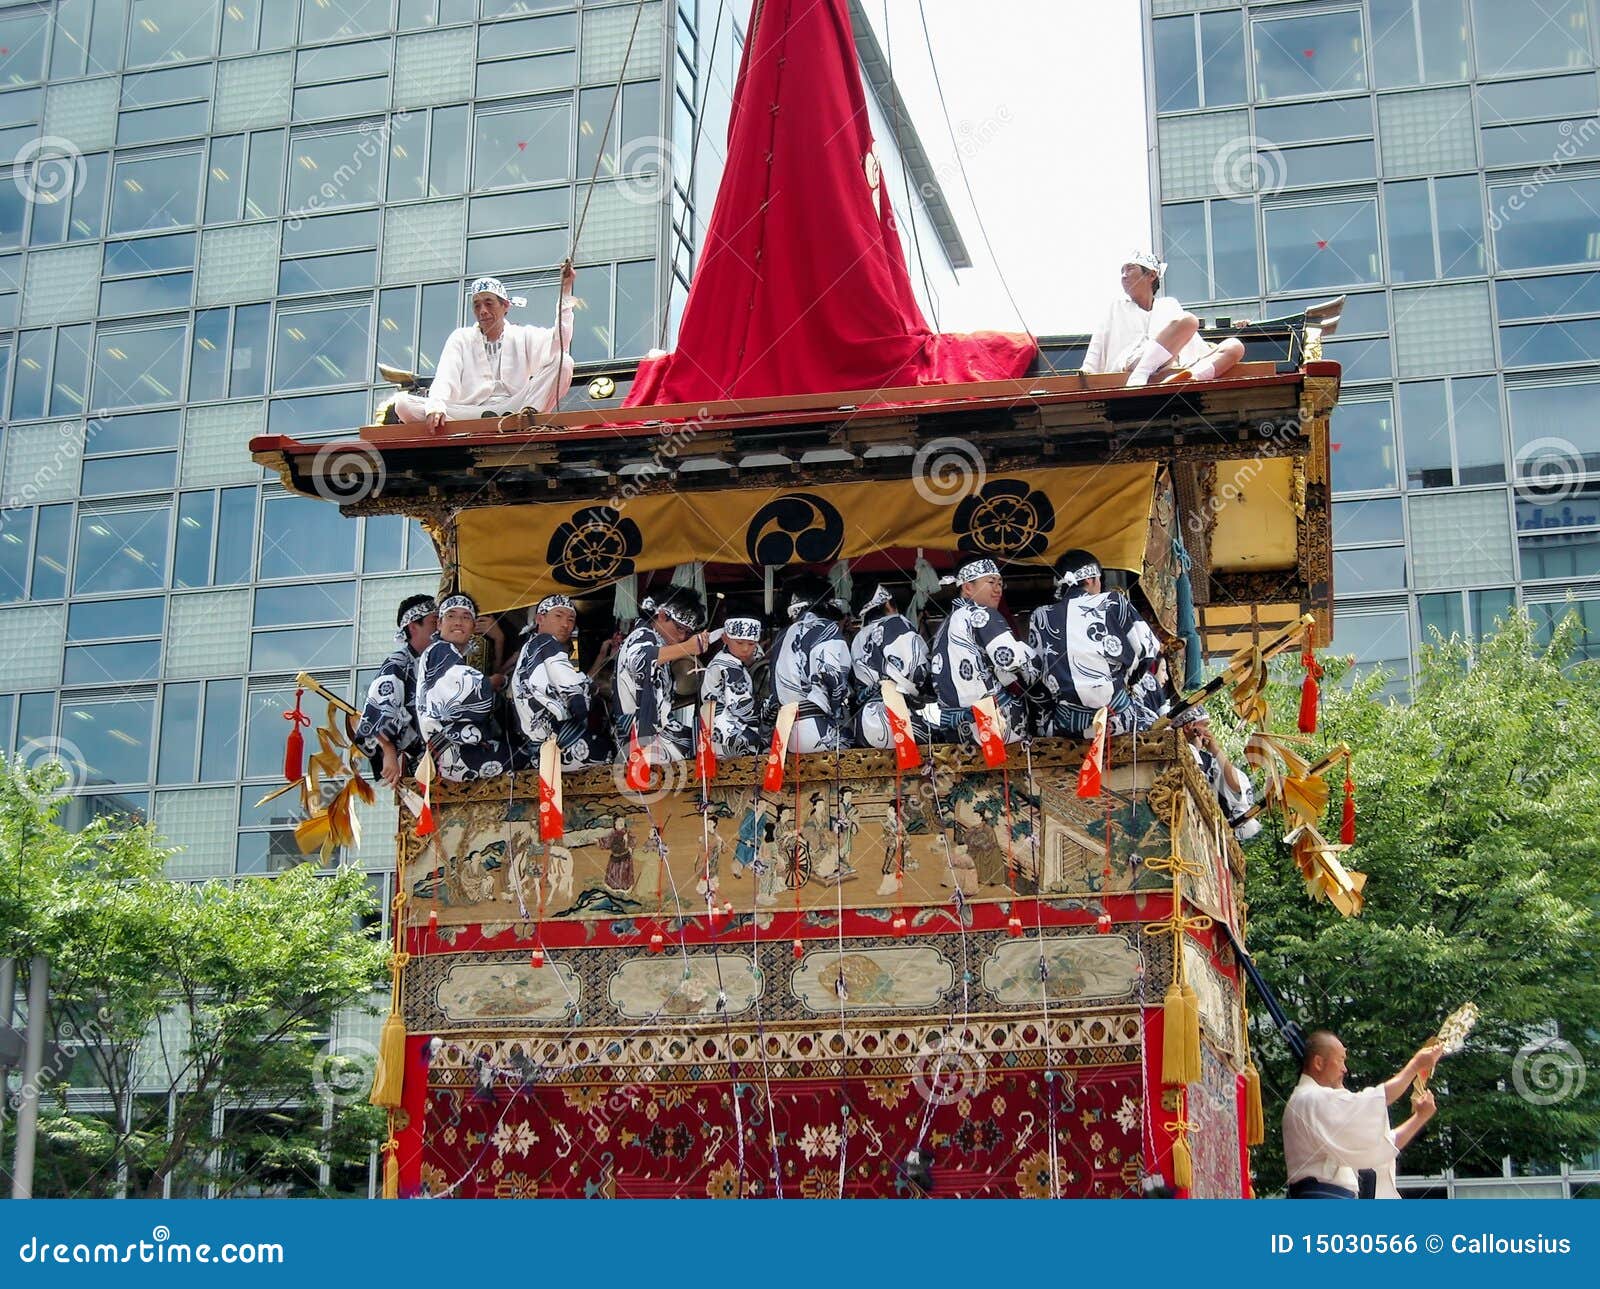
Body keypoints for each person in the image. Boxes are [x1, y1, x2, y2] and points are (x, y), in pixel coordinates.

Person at [391, 266, 577, 427]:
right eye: (477, 306)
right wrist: (436, 406)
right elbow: (444, 379)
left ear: (505, 306)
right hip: (468, 413)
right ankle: (463, 428)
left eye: (489, 304)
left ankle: (527, 416)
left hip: (517, 408)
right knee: (402, 404)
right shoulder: (460, 338)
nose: (483, 311)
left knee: (565, 362)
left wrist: (566, 289)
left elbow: (560, 341)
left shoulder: (522, 335)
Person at [1282, 1032, 1442, 1199]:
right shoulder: (1310, 1098)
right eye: (1340, 1060)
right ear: (1319, 1063)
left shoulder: (1312, 1100)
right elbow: (1378, 1099)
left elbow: (1383, 1145)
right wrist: (1415, 1065)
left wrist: (1419, 1117)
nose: (1345, 1069)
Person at [1028, 549, 1162, 737]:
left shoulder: (1040, 615)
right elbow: (1148, 651)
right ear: (1091, 579)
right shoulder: (1113, 601)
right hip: (1117, 716)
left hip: (1068, 725)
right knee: (1155, 721)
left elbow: (1034, 674)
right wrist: (1128, 682)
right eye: (1099, 579)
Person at [1082, 252, 1245, 387]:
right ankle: (1140, 374)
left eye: (1130, 269)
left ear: (1151, 275)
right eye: (1122, 272)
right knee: (1189, 321)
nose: (1124, 276)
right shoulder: (1116, 306)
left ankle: (1189, 379)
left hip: (1172, 363)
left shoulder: (1168, 305)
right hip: (1133, 362)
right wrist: (1087, 371)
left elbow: (1191, 342)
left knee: (1235, 346)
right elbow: (1098, 343)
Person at [927, 559, 1035, 745]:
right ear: (968, 587)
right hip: (995, 723)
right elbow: (1014, 662)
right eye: (991, 582)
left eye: (1000, 583)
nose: (998, 589)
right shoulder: (981, 614)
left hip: (955, 730)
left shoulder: (943, 627)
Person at [416, 592, 520, 781]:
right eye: (451, 616)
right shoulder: (440, 650)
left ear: (473, 627)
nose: (458, 622)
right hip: (457, 753)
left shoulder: (449, 655)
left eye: (465, 617)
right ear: (439, 624)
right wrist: (495, 682)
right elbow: (468, 690)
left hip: (452, 752)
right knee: (529, 756)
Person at [614, 588, 714, 759]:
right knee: (707, 747)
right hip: (638, 733)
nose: (682, 637)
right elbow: (642, 659)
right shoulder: (643, 635)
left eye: (687, 633)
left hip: (658, 731)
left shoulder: (658, 643)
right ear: (661, 615)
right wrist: (687, 647)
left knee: (707, 739)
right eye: (679, 628)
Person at [355, 594, 437, 788]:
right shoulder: (398, 664)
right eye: (434, 622)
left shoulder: (440, 658)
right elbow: (378, 713)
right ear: (413, 626)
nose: (440, 627)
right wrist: (388, 750)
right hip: (423, 760)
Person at [510, 594, 598, 768]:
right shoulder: (544, 641)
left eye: (571, 619)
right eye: (558, 616)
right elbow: (574, 692)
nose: (565, 624)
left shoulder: (531, 647)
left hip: (540, 748)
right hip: (561, 745)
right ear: (540, 619)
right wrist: (584, 692)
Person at [769, 574, 854, 753]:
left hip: (788, 731)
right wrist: (838, 709)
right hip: (820, 727)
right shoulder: (824, 627)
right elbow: (831, 676)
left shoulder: (781, 635)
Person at [851, 582, 932, 750]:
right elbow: (916, 672)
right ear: (888, 603)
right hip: (896, 714)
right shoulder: (895, 623)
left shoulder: (858, 637)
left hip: (864, 722)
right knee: (939, 739)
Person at [1172, 706, 1261, 842]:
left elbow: (1236, 787)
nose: (1208, 731)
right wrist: (1195, 749)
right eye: (1205, 725)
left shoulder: (1210, 760)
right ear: (1189, 726)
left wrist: (1215, 750)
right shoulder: (1172, 745)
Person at [700, 614, 765, 756]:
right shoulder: (728, 665)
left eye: (751, 644)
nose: (745, 649)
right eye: (739, 643)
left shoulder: (726, 659)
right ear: (725, 638)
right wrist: (769, 711)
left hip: (719, 728)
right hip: (724, 729)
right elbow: (741, 708)